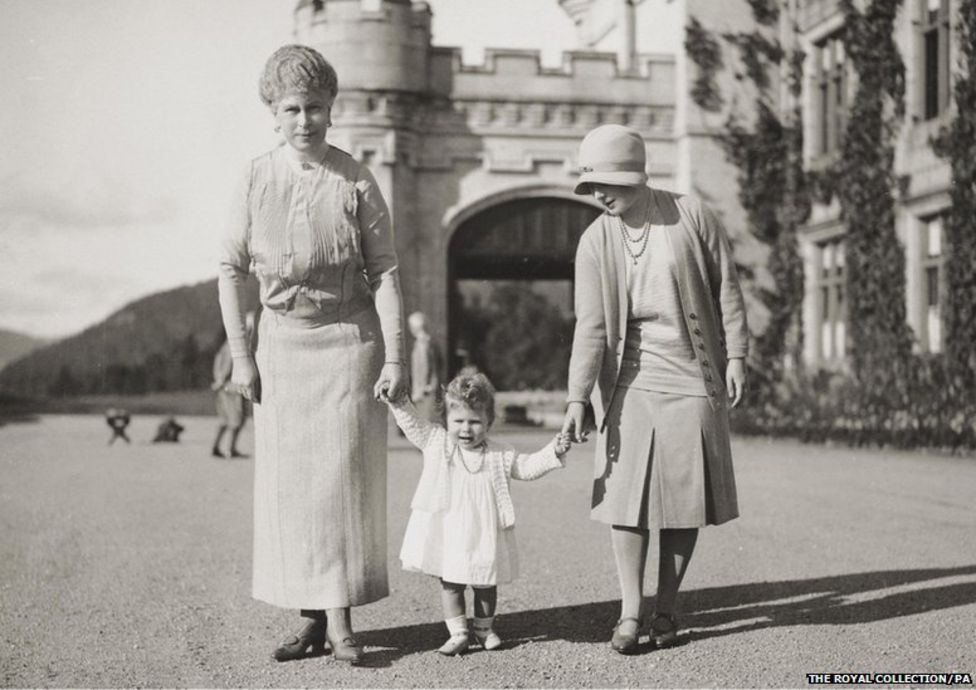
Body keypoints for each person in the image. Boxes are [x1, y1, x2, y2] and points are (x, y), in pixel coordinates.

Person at [217, 44, 406, 665]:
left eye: (317, 108)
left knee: (340, 485)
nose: (305, 121)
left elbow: (386, 270)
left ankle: (343, 619)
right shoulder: (254, 176)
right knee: (296, 491)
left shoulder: (355, 178)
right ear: (274, 112)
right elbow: (229, 270)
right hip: (282, 350)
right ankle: (312, 621)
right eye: (293, 108)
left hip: (348, 345)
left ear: (332, 110)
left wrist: (398, 357)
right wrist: (243, 359)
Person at [561, 124, 748, 654]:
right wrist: (578, 396)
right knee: (626, 497)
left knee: (684, 499)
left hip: (694, 373)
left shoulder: (691, 215)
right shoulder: (595, 240)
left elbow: (726, 287)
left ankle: (667, 610)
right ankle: (628, 612)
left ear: (636, 176)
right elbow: (590, 326)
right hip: (630, 378)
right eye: (591, 184)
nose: (598, 194)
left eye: (608, 184)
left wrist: (736, 355)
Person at [382, 372, 572, 655]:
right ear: (446, 420)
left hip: (485, 530)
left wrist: (552, 451)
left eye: (475, 422)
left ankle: (484, 629)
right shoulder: (437, 442)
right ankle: (458, 632)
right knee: (452, 581)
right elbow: (412, 424)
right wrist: (396, 399)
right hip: (450, 529)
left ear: (489, 422)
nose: (466, 429)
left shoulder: (500, 453)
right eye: (458, 421)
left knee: (485, 581)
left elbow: (527, 467)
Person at [211, 311, 257, 458]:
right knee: (237, 419)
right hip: (233, 387)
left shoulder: (228, 342)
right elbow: (230, 362)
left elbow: (219, 360)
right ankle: (230, 449)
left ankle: (217, 446)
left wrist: (218, 379)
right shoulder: (238, 343)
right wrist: (221, 379)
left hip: (225, 386)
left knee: (225, 419)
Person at [407, 311, 442, 422]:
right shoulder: (430, 342)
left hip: (424, 390)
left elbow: (424, 367)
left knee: (426, 423)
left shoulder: (422, 343)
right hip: (430, 387)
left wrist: (420, 389)